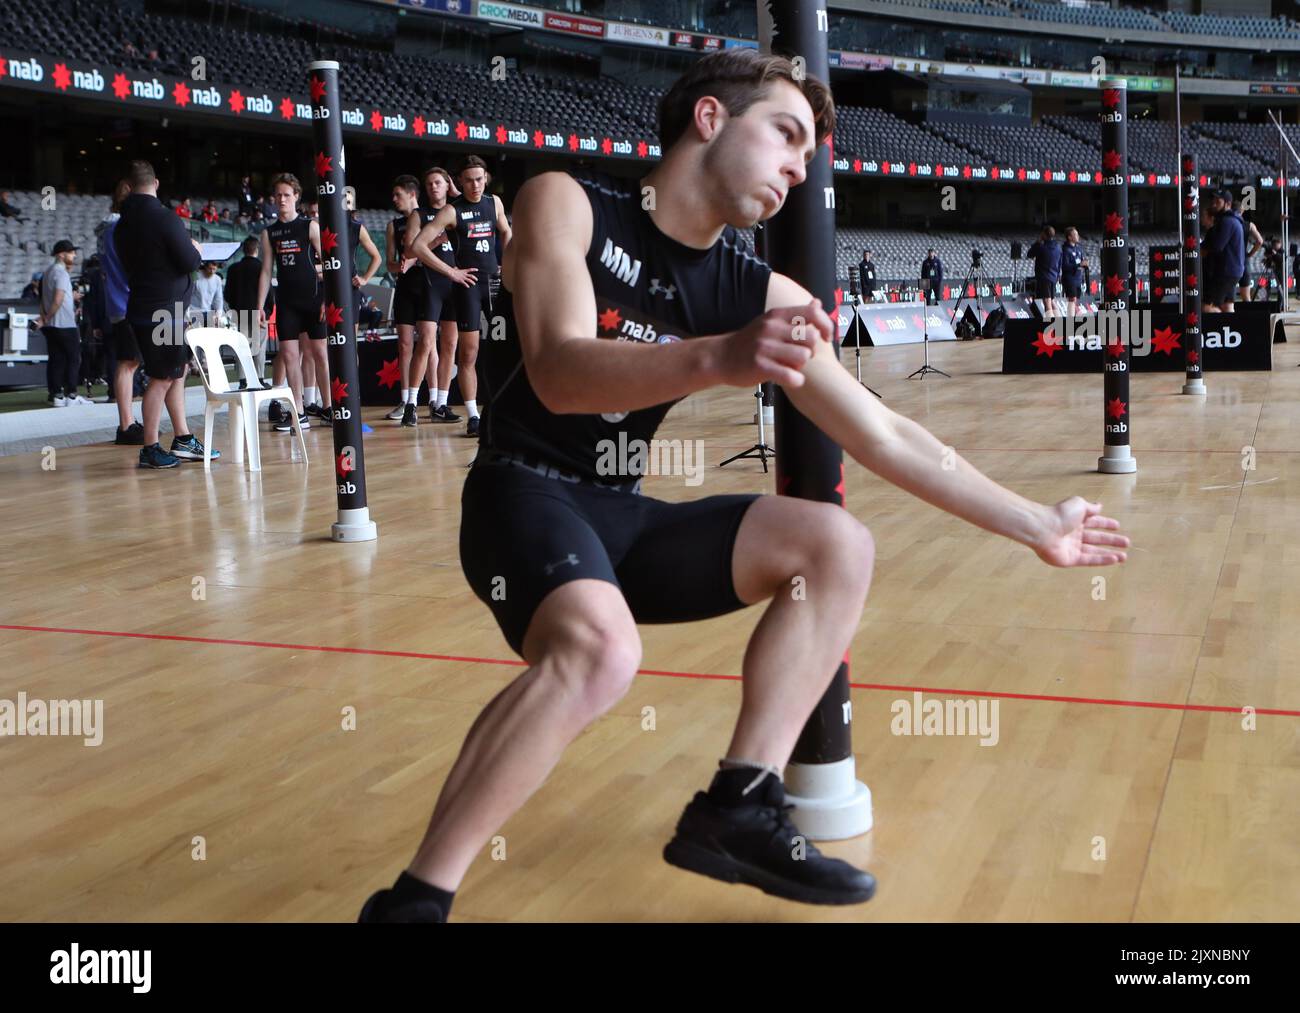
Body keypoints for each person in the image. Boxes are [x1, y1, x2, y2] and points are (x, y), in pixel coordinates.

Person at [357, 48, 1131, 924]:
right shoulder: (566, 201)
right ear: (711, 120)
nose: (801, 167)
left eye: (811, 154)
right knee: (604, 650)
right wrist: (720, 356)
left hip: (620, 512)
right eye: (787, 134)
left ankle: (739, 799)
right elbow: (560, 372)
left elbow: (881, 430)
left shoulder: (753, 288)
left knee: (837, 543)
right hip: (519, 495)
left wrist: (1038, 523)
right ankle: (415, 900)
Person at [112, 160, 218, 467]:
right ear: (155, 184)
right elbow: (187, 261)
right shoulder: (164, 217)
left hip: (144, 307)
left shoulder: (122, 226)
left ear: (130, 186)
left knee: (176, 372)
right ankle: (150, 447)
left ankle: (182, 439)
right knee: (161, 378)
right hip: (165, 312)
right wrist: (196, 249)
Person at [419, 155, 513, 436]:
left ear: (487, 179)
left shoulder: (494, 202)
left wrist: (507, 263)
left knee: (503, 348)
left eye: (480, 179)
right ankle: (473, 415)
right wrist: (451, 272)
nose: (475, 185)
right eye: (469, 180)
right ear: (459, 181)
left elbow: (506, 231)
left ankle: (502, 409)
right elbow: (419, 245)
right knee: (469, 353)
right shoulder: (451, 210)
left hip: (494, 285)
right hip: (468, 287)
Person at [256, 172, 329, 430]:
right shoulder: (270, 232)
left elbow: (330, 264)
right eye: (278, 195)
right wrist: (259, 307)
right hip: (286, 302)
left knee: (320, 353)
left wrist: (327, 299)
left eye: (287, 195)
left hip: (313, 298)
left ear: (296, 197)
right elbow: (266, 270)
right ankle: (298, 410)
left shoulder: (309, 226)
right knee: (289, 355)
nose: (282, 200)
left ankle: (329, 406)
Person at [408, 166, 468, 425]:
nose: (434, 187)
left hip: (454, 285)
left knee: (451, 345)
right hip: (431, 284)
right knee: (426, 343)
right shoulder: (418, 214)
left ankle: (440, 404)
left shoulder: (456, 212)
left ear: (447, 185)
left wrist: (456, 191)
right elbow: (411, 253)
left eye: (439, 183)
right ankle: (411, 402)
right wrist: (436, 237)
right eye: (430, 183)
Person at [96, 178, 144, 443]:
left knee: (130, 362)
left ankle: (128, 422)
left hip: (116, 302)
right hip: (127, 302)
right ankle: (126, 425)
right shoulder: (120, 228)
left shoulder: (106, 229)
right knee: (128, 363)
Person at [384, 174, 428, 423]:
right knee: (404, 344)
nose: (394, 199)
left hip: (428, 284)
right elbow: (389, 263)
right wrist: (399, 265)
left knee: (428, 342)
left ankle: (433, 399)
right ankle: (405, 399)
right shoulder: (394, 225)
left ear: (412, 194)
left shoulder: (429, 218)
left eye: (398, 194)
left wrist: (418, 258)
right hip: (405, 286)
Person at [33, 240, 91, 408]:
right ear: (61, 254)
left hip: (51, 325)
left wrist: (45, 317)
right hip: (64, 324)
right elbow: (58, 298)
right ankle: (71, 395)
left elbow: (45, 298)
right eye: (70, 252)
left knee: (56, 359)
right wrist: (46, 317)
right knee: (74, 359)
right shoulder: (61, 273)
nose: (74, 255)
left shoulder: (48, 272)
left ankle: (57, 395)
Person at [226, 235, 272, 382]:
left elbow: (228, 294)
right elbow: (270, 294)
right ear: (256, 249)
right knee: (259, 349)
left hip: (241, 313)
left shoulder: (233, 269)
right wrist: (267, 312)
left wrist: (236, 309)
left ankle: (243, 379)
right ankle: (259, 379)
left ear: (244, 250)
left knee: (243, 348)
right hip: (260, 313)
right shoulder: (262, 268)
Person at [1234, 200, 1263, 303]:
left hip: (1231, 262)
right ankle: (1248, 318)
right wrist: (1250, 254)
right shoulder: (1249, 225)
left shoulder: (1227, 224)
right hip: (1244, 261)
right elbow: (1260, 241)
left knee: (1228, 299)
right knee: (1246, 298)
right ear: (1242, 211)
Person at [1027, 226, 1062, 311]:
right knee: (1051, 300)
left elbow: (1030, 254)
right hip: (1054, 277)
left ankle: (1050, 323)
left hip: (1044, 277)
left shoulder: (1041, 247)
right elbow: (1060, 262)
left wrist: (1037, 242)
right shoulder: (1058, 247)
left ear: (1044, 234)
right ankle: (1059, 321)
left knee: (1047, 301)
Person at [1059, 227, 1087, 317]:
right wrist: (1079, 265)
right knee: (1072, 299)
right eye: (1075, 234)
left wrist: (1085, 264)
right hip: (1070, 279)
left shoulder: (1079, 248)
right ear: (1069, 237)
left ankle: (1074, 317)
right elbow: (1065, 266)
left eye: (1077, 234)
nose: (1077, 236)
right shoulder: (1065, 250)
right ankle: (1072, 319)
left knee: (1075, 300)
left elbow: (1082, 261)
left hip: (1078, 278)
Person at [189, 261, 224, 328]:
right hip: (193, 311)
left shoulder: (217, 279)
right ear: (205, 267)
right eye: (210, 269)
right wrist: (186, 314)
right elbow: (188, 295)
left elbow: (218, 299)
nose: (212, 272)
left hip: (208, 311)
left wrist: (218, 315)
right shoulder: (196, 276)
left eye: (214, 269)